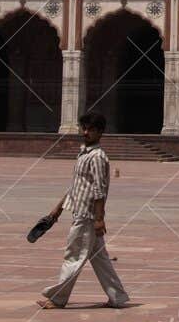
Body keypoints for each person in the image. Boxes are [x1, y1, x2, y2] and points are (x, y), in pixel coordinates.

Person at [38, 112, 130, 309]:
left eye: (91, 129)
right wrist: (57, 210)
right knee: (101, 260)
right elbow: (75, 187)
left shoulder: (97, 157)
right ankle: (118, 297)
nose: (86, 132)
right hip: (80, 212)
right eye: (84, 128)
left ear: (100, 132)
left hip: (87, 216)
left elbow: (99, 189)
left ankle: (57, 298)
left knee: (73, 256)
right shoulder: (84, 154)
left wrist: (99, 219)